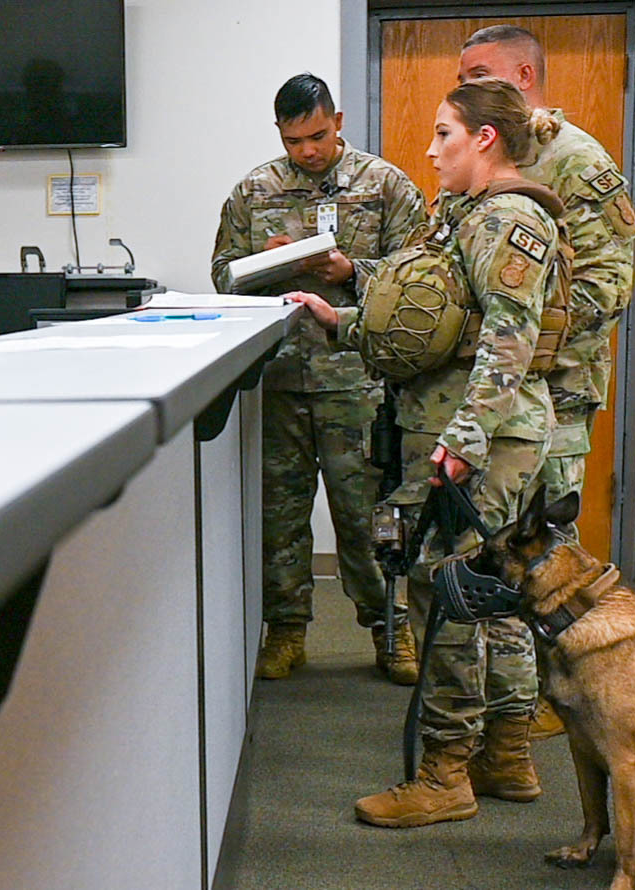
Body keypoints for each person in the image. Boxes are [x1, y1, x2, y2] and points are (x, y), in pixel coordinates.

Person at [288, 78, 562, 827]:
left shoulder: (508, 220)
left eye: (444, 133)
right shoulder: (467, 217)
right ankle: (506, 756)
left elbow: (510, 337)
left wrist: (463, 440)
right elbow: (433, 307)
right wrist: (340, 315)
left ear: (485, 139)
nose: (431, 149)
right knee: (493, 593)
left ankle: (445, 773)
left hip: (473, 438)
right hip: (462, 430)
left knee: (445, 597)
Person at [211, 74, 428, 685]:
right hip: (278, 379)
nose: (307, 150)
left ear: (337, 120)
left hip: (356, 379)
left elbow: (420, 277)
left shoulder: (384, 185)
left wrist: (349, 267)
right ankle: (286, 630)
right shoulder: (254, 191)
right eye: (293, 139)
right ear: (278, 132)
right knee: (281, 514)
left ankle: (390, 628)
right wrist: (265, 262)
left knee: (368, 514)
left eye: (317, 135)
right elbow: (224, 277)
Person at [457, 25, 635, 745]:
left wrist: (534, 349)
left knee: (549, 541)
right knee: (505, 538)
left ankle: (555, 694)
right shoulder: (493, 153)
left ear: (523, 76)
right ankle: (518, 691)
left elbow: (609, 277)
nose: (465, 85)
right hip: (512, 388)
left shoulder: (576, 159)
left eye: (479, 73)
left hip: (557, 386)